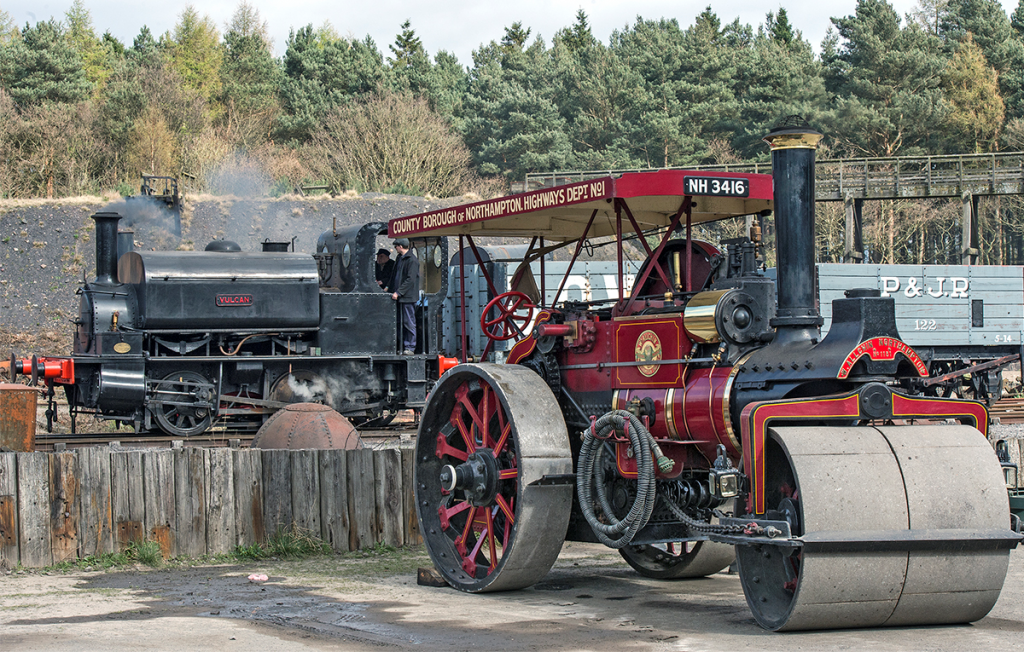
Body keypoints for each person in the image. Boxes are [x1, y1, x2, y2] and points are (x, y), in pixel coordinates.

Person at [391, 238, 419, 354]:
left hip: (407, 296)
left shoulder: (412, 260)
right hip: (400, 296)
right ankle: (402, 345)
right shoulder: (400, 258)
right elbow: (395, 274)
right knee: (399, 321)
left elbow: (410, 279)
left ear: (400, 246)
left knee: (409, 322)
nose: (395, 248)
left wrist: (399, 292)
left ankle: (410, 347)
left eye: (396, 246)